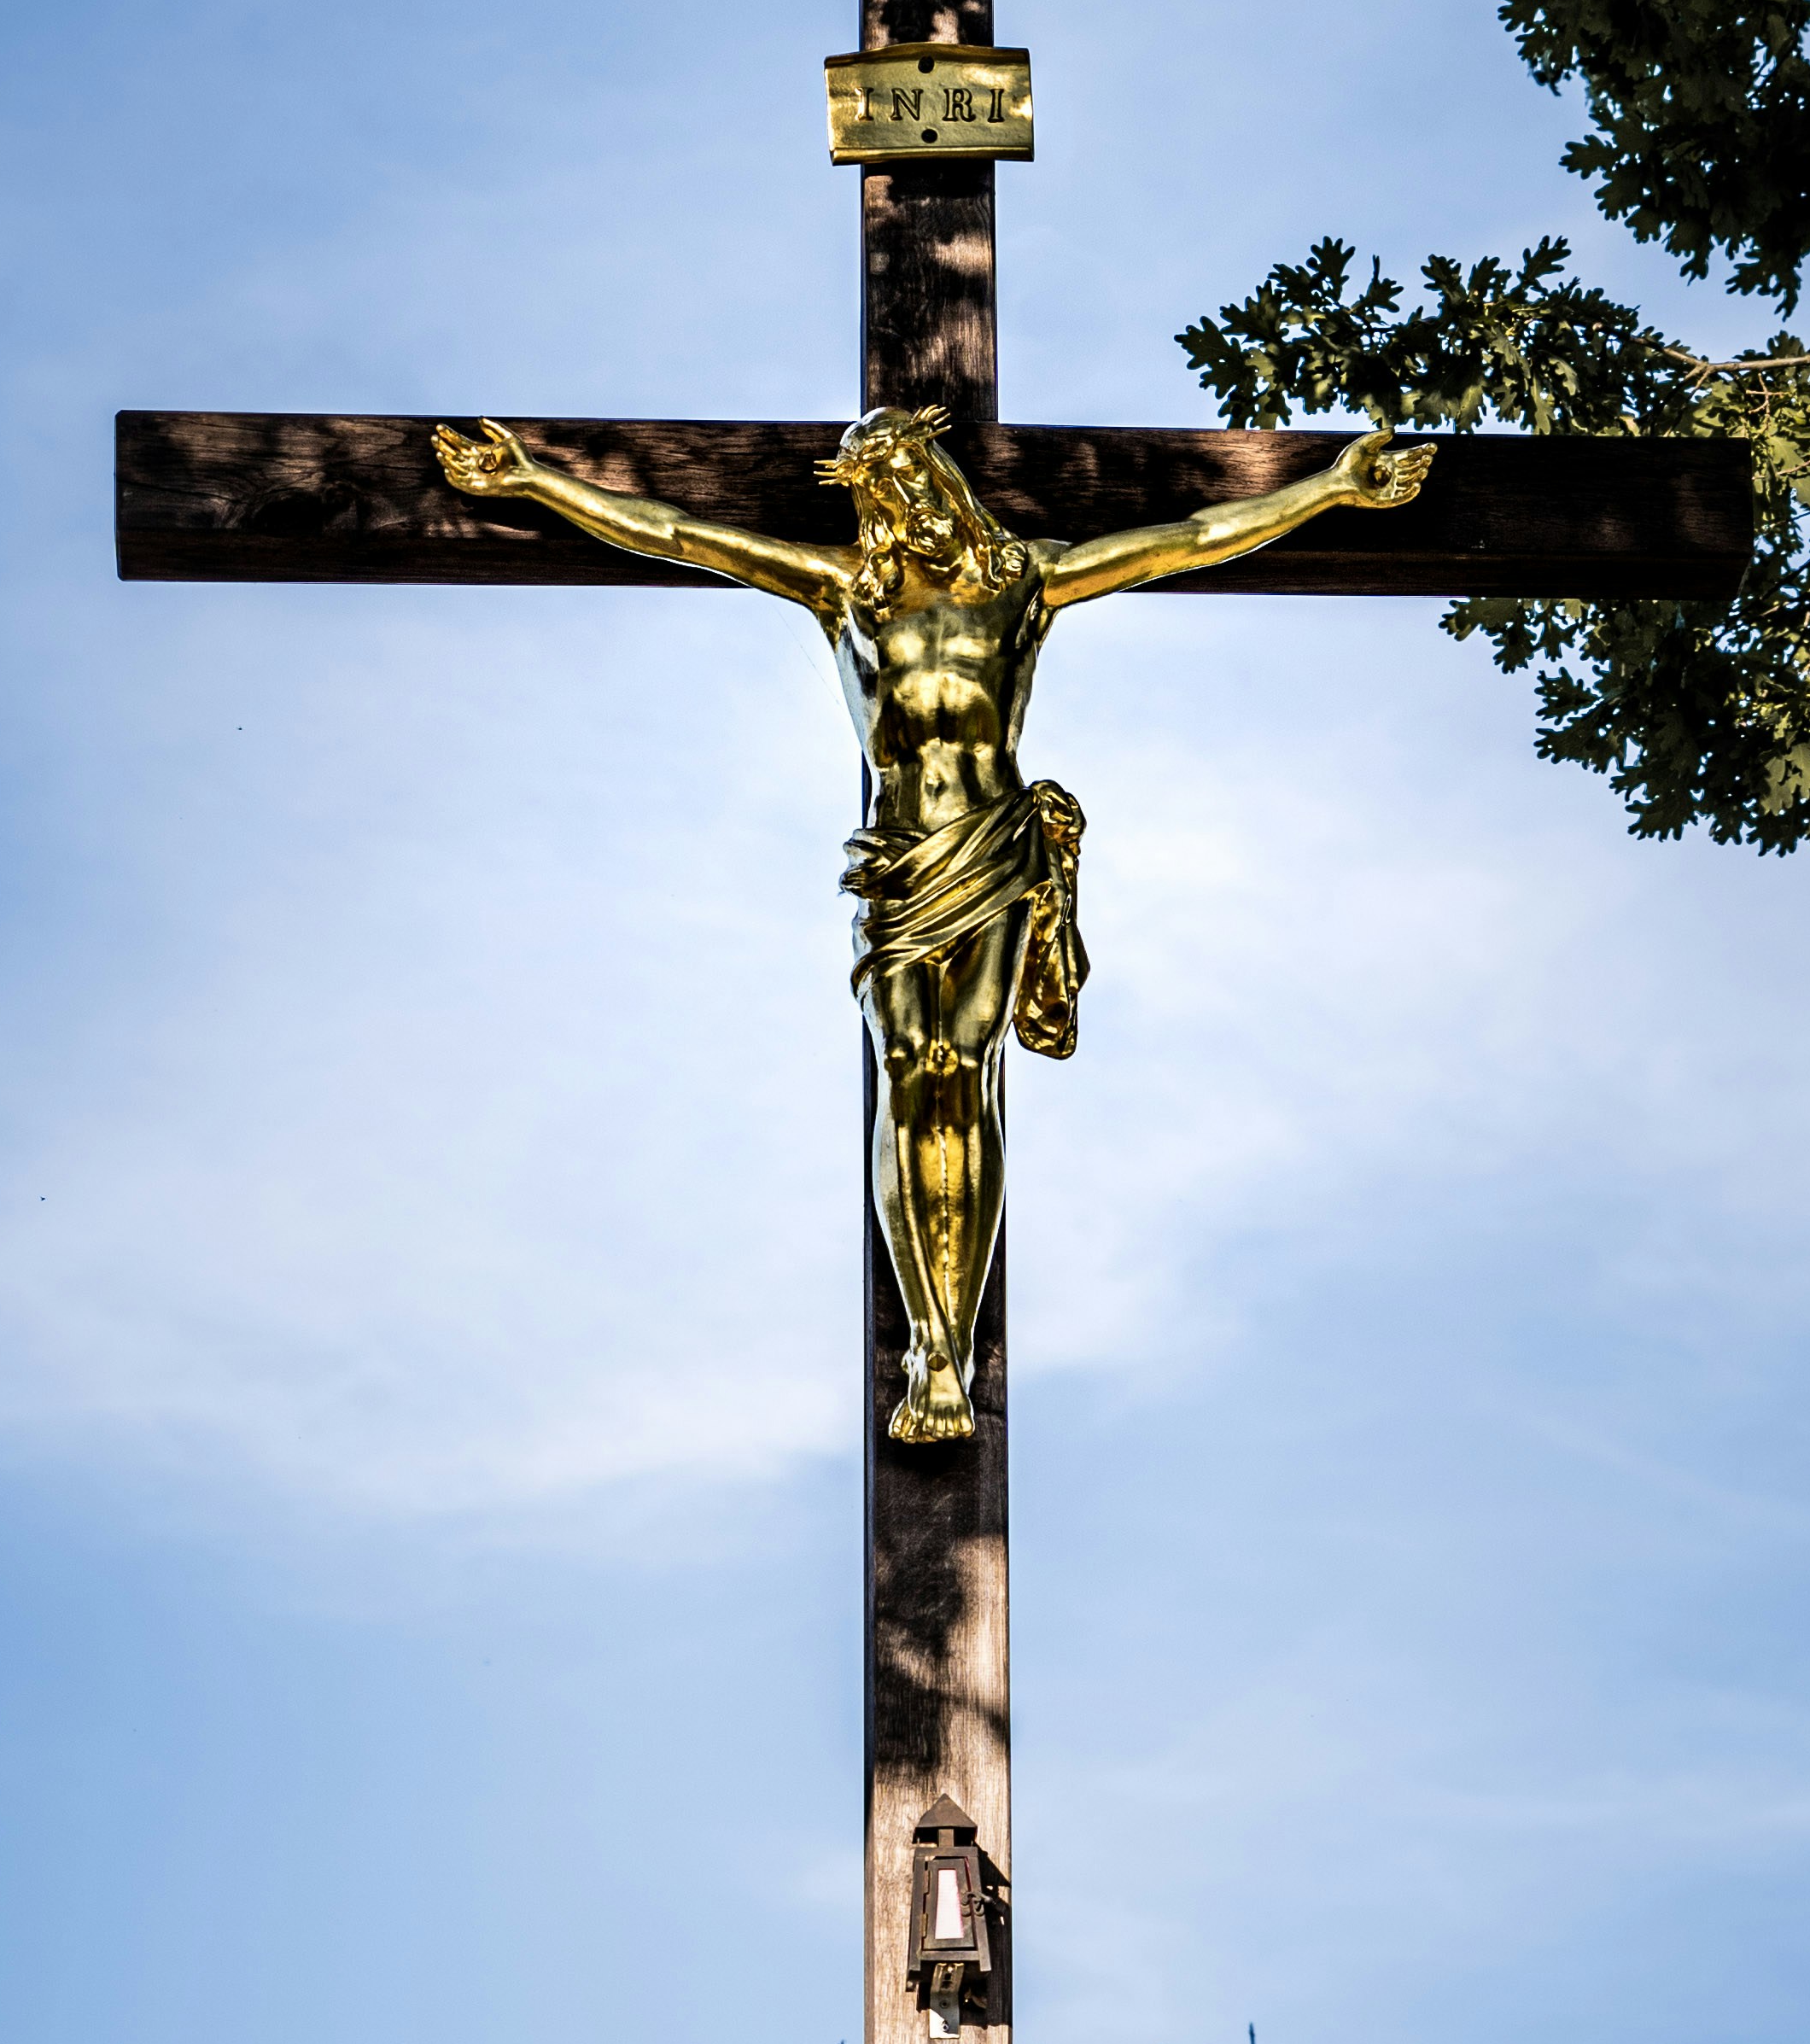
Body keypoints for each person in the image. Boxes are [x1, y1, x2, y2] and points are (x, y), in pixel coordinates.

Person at [434, 404, 1434, 1440]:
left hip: (994, 846)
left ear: (943, 473)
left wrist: (1332, 489)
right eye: (880, 487)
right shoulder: (846, 593)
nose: (905, 499)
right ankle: (932, 1344)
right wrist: (531, 485)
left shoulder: (1025, 582)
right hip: (899, 861)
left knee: (967, 1061)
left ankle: (950, 1339)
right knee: (913, 1065)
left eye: (914, 473)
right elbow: (675, 532)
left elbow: (1186, 540)